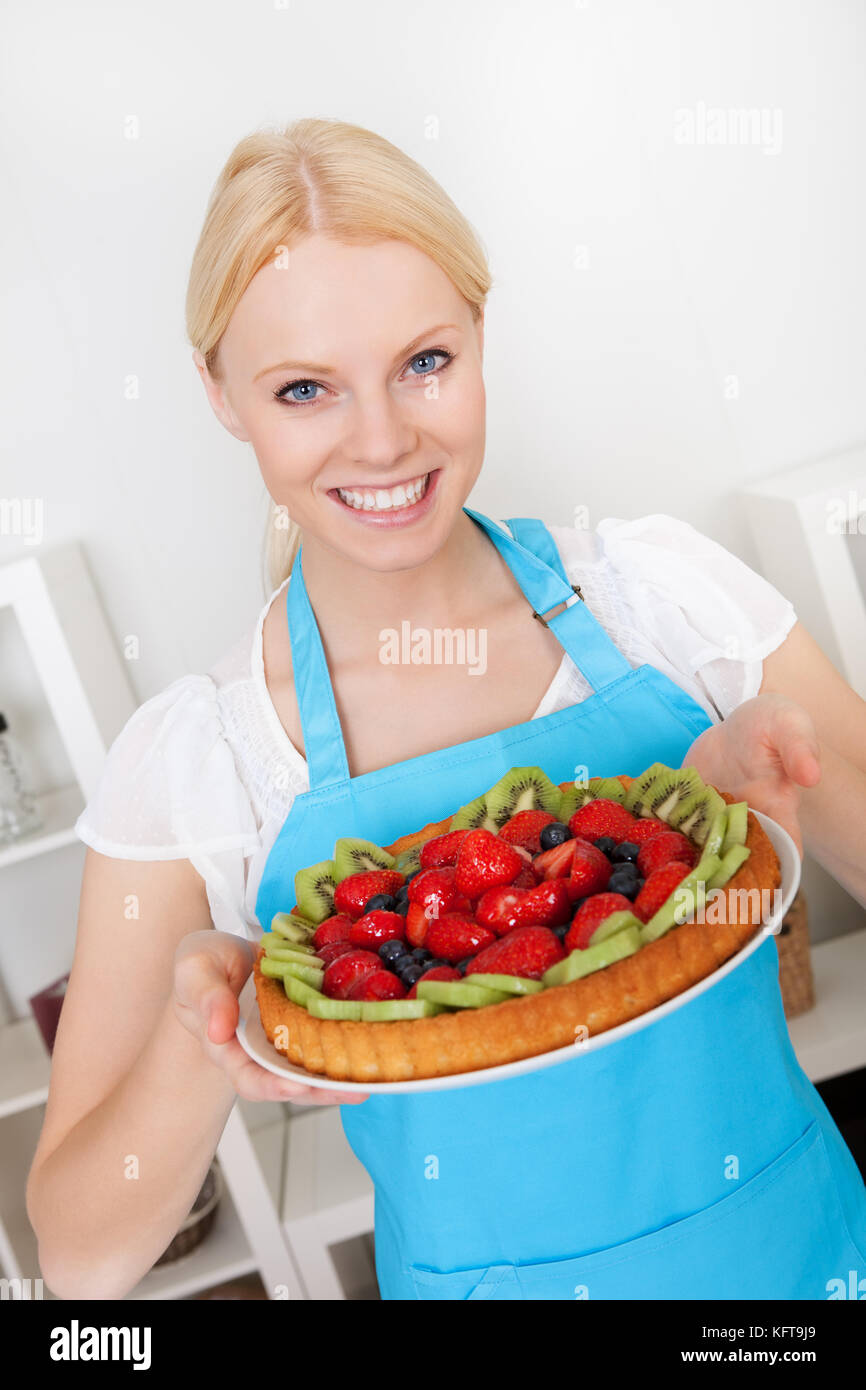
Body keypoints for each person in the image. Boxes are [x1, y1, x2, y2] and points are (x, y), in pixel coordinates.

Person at [26, 118, 866, 1301]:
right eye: (304, 387)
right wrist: (199, 1026)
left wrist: (743, 819)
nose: (381, 439)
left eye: (424, 361)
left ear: (480, 333)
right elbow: (77, 1258)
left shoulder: (663, 602)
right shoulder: (199, 763)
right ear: (218, 393)